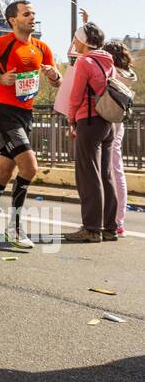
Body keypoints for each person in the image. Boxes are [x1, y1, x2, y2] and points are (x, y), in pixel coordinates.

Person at [0, 0, 61, 249]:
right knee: (30, 168)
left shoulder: (42, 47)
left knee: (4, 172)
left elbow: (56, 81)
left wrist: (54, 76)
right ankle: (15, 227)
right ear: (13, 20)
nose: (32, 17)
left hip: (25, 115)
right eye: (27, 14)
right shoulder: (3, 43)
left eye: (34, 13)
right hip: (3, 114)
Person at [63, 23, 119, 243]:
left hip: (88, 120)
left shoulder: (85, 62)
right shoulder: (108, 62)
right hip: (107, 123)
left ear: (83, 41)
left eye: (76, 38)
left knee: (88, 174)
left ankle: (91, 228)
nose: (74, 42)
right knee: (106, 175)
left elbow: (76, 95)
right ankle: (109, 227)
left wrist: (70, 118)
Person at [103, 40, 137, 237]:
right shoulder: (128, 74)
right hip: (120, 123)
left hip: (108, 119)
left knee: (108, 170)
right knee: (117, 170)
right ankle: (119, 220)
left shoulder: (111, 73)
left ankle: (112, 220)